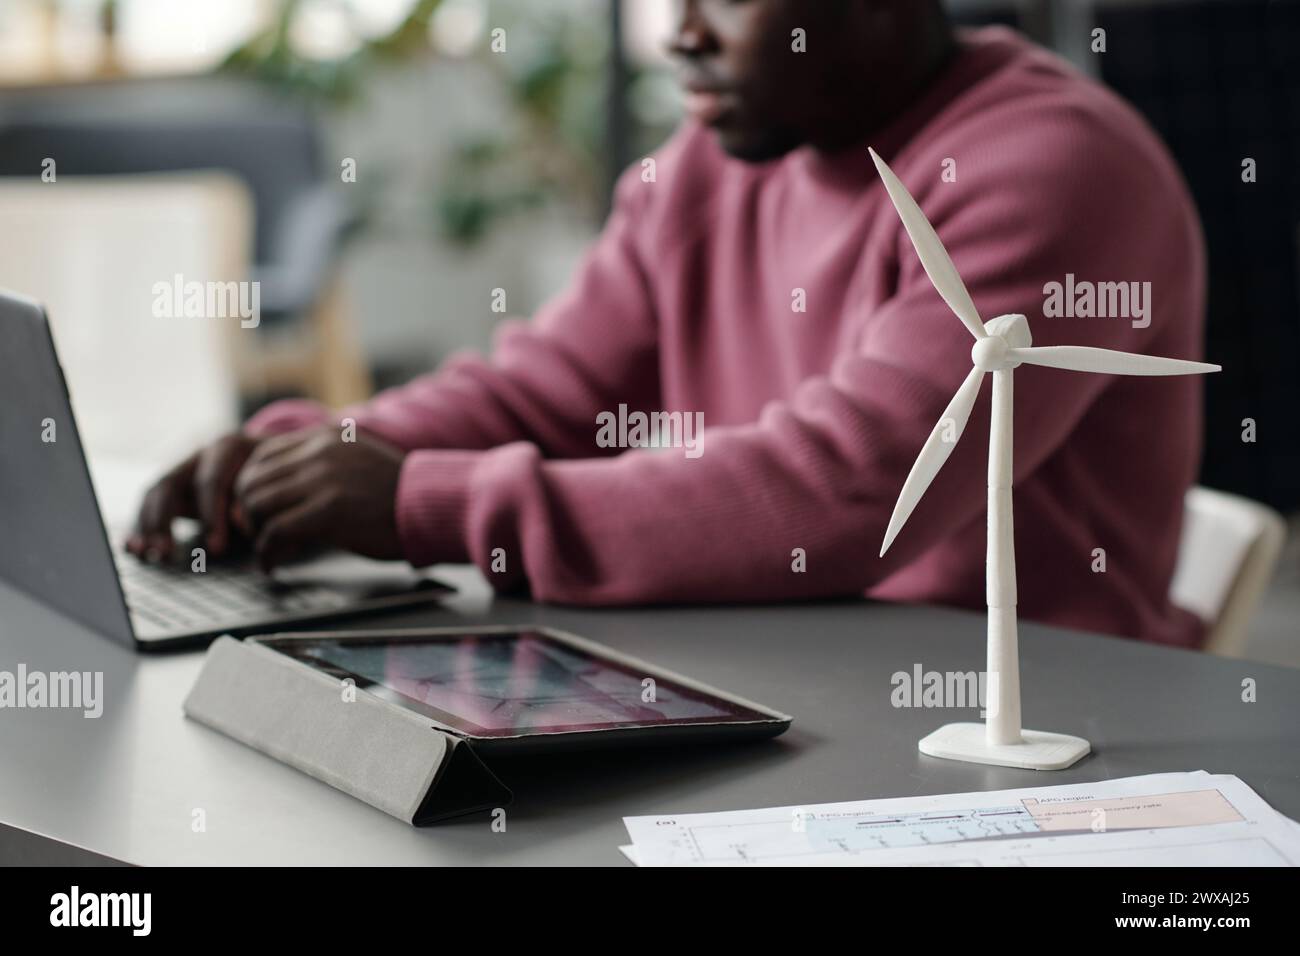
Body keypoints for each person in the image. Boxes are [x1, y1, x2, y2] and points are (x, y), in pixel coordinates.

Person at [130, 0, 1208, 646]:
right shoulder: (714, 157)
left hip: (1021, 737)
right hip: (776, 663)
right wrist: (327, 454)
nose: (678, 36)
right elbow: (544, 388)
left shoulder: (1054, 164)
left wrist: (424, 503)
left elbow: (848, 489)